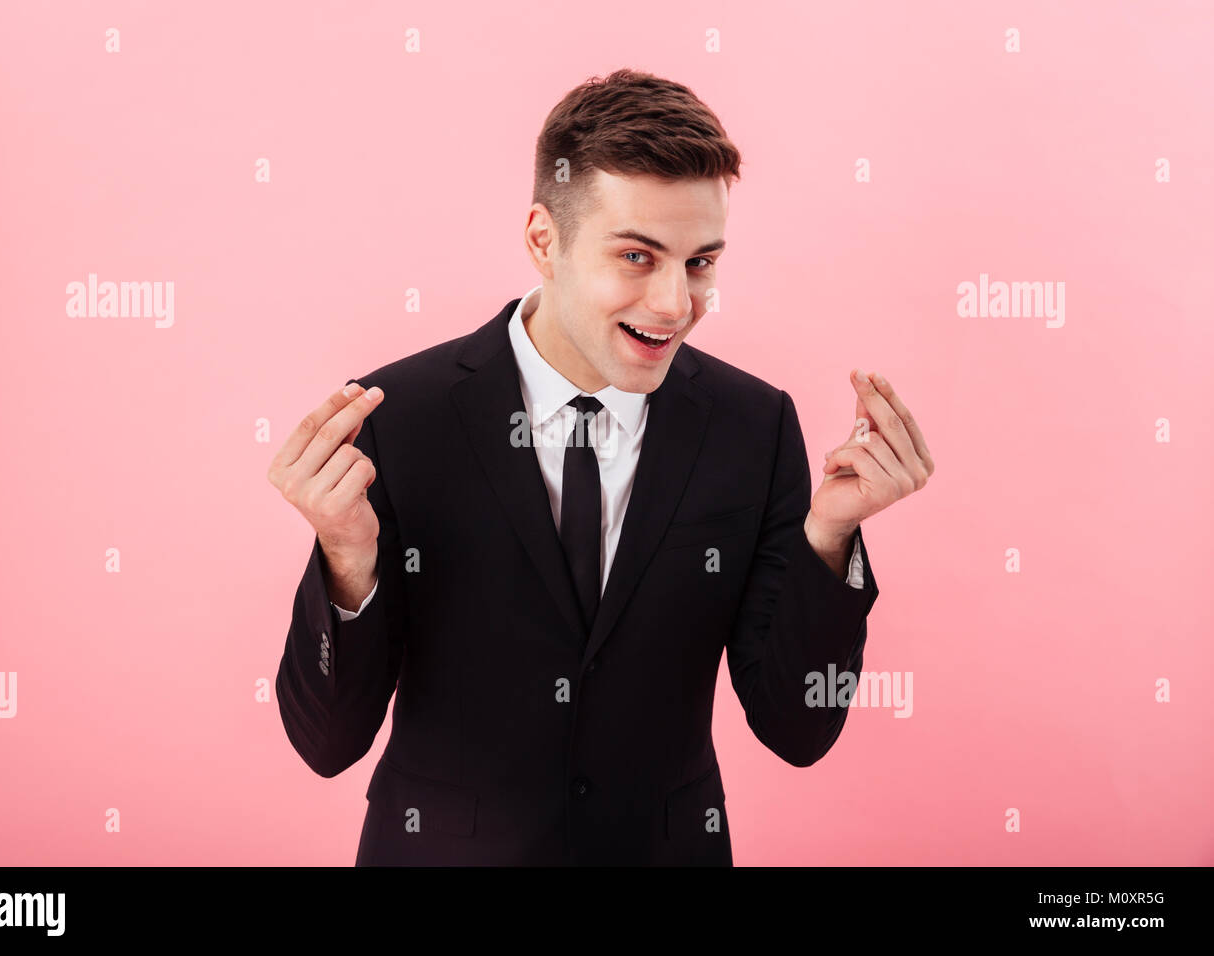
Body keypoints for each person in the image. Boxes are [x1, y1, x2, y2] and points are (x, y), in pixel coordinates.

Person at [267, 68, 934, 866]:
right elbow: (327, 741)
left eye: (701, 263)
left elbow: (796, 727)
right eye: (637, 255)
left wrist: (829, 540)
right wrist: (346, 560)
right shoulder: (400, 419)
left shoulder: (754, 427)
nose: (674, 303)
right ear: (544, 240)